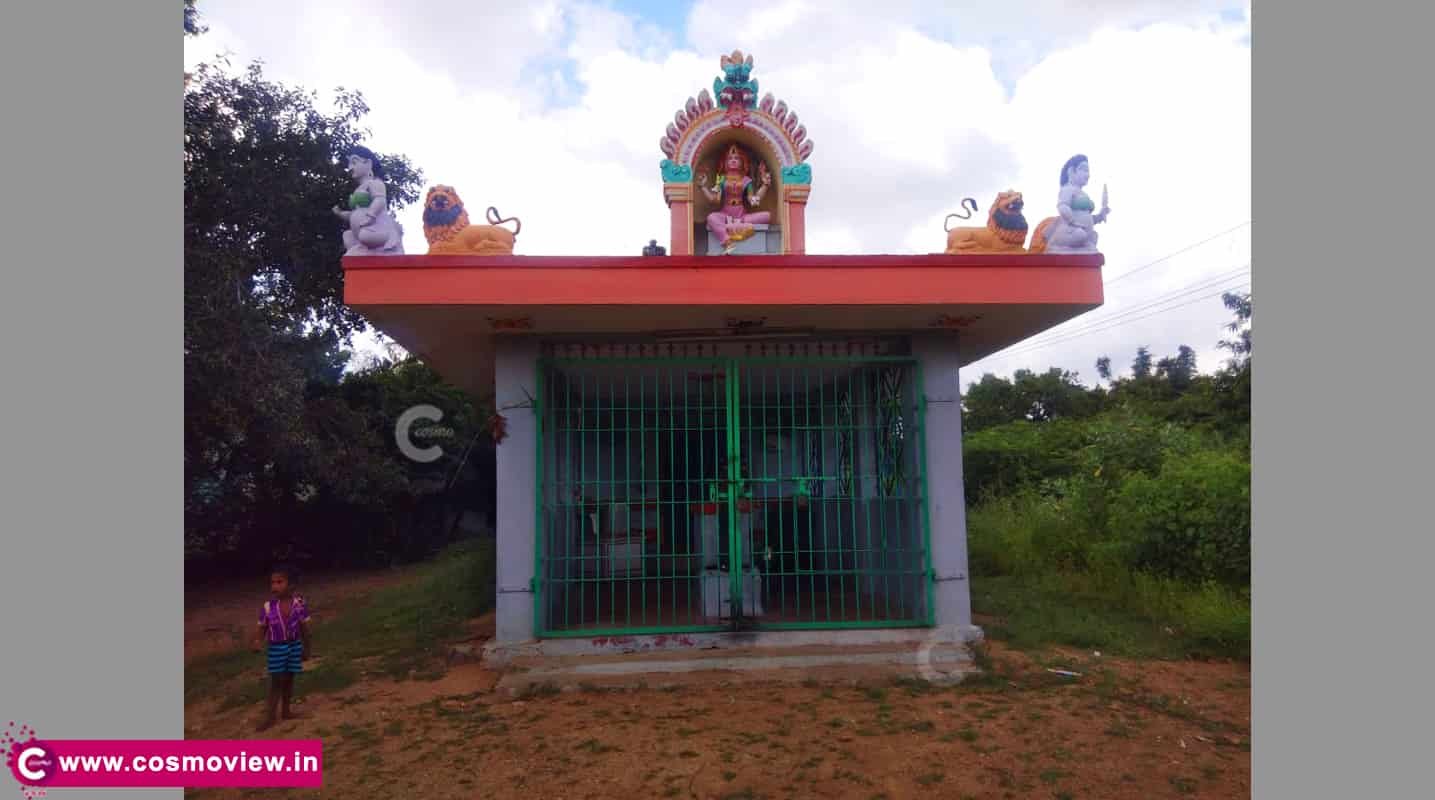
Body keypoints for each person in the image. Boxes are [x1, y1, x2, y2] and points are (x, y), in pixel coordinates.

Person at [251, 563, 311, 731]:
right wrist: (257, 642)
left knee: (290, 678)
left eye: (279, 582)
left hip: (294, 645)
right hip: (276, 648)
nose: (274, 586)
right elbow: (262, 627)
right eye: (272, 582)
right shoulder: (268, 607)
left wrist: (307, 649)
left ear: (291, 585)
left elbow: (305, 627)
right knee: (275, 681)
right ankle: (270, 717)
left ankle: (286, 711)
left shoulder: (299, 603)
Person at [697, 143, 772, 254]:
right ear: (725, 162)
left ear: (742, 162)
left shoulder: (746, 180)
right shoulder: (721, 180)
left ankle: (737, 224)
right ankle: (727, 242)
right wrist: (702, 187)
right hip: (725, 216)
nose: (733, 160)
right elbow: (715, 200)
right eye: (730, 158)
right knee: (711, 217)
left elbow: (753, 201)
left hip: (742, 216)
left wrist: (765, 185)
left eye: (736, 158)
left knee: (767, 216)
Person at [331, 145, 405, 255]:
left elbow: (380, 200)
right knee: (347, 236)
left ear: (368, 163)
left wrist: (370, 216)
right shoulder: (358, 189)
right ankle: (362, 249)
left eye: (354, 162)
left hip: (375, 228)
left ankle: (390, 236)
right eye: (349, 164)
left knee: (364, 237)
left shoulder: (375, 183)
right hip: (360, 232)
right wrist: (341, 213)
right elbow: (354, 213)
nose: (350, 168)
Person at [1042, 154, 1110, 253]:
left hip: (1083, 232)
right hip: (1069, 230)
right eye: (1084, 169)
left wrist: (1101, 215)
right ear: (1071, 171)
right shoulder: (1068, 189)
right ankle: (1056, 247)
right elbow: (1062, 206)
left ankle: (1083, 247)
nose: (1088, 174)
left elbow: (1087, 217)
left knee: (1094, 236)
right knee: (1080, 235)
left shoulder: (1084, 194)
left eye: (1088, 171)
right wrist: (1073, 222)